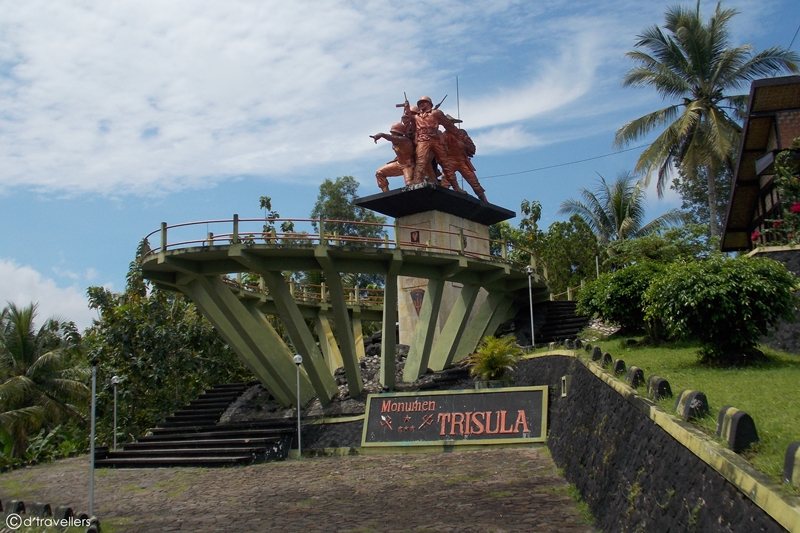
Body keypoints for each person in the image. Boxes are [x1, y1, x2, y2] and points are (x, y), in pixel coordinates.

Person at [404, 96, 466, 193]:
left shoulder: (436, 113)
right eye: (420, 103)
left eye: (424, 102)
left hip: (435, 139)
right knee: (421, 161)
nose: (421, 104)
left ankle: (455, 186)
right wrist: (407, 108)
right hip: (423, 140)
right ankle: (416, 181)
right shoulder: (416, 117)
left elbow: (449, 125)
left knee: (445, 163)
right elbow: (407, 121)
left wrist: (460, 137)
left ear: (429, 104)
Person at [441, 114, 487, 202]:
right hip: (450, 161)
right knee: (445, 181)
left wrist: (464, 146)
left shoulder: (461, 133)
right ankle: (441, 199)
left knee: (474, 181)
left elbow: (472, 148)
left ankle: (484, 200)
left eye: (450, 123)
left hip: (462, 161)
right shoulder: (442, 136)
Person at [371, 122, 415, 192]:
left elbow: (391, 138)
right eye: (392, 133)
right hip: (398, 164)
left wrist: (382, 135)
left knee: (409, 185)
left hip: (408, 165)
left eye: (394, 133)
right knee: (379, 172)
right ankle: (386, 194)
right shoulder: (395, 142)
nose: (392, 135)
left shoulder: (404, 140)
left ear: (399, 134)